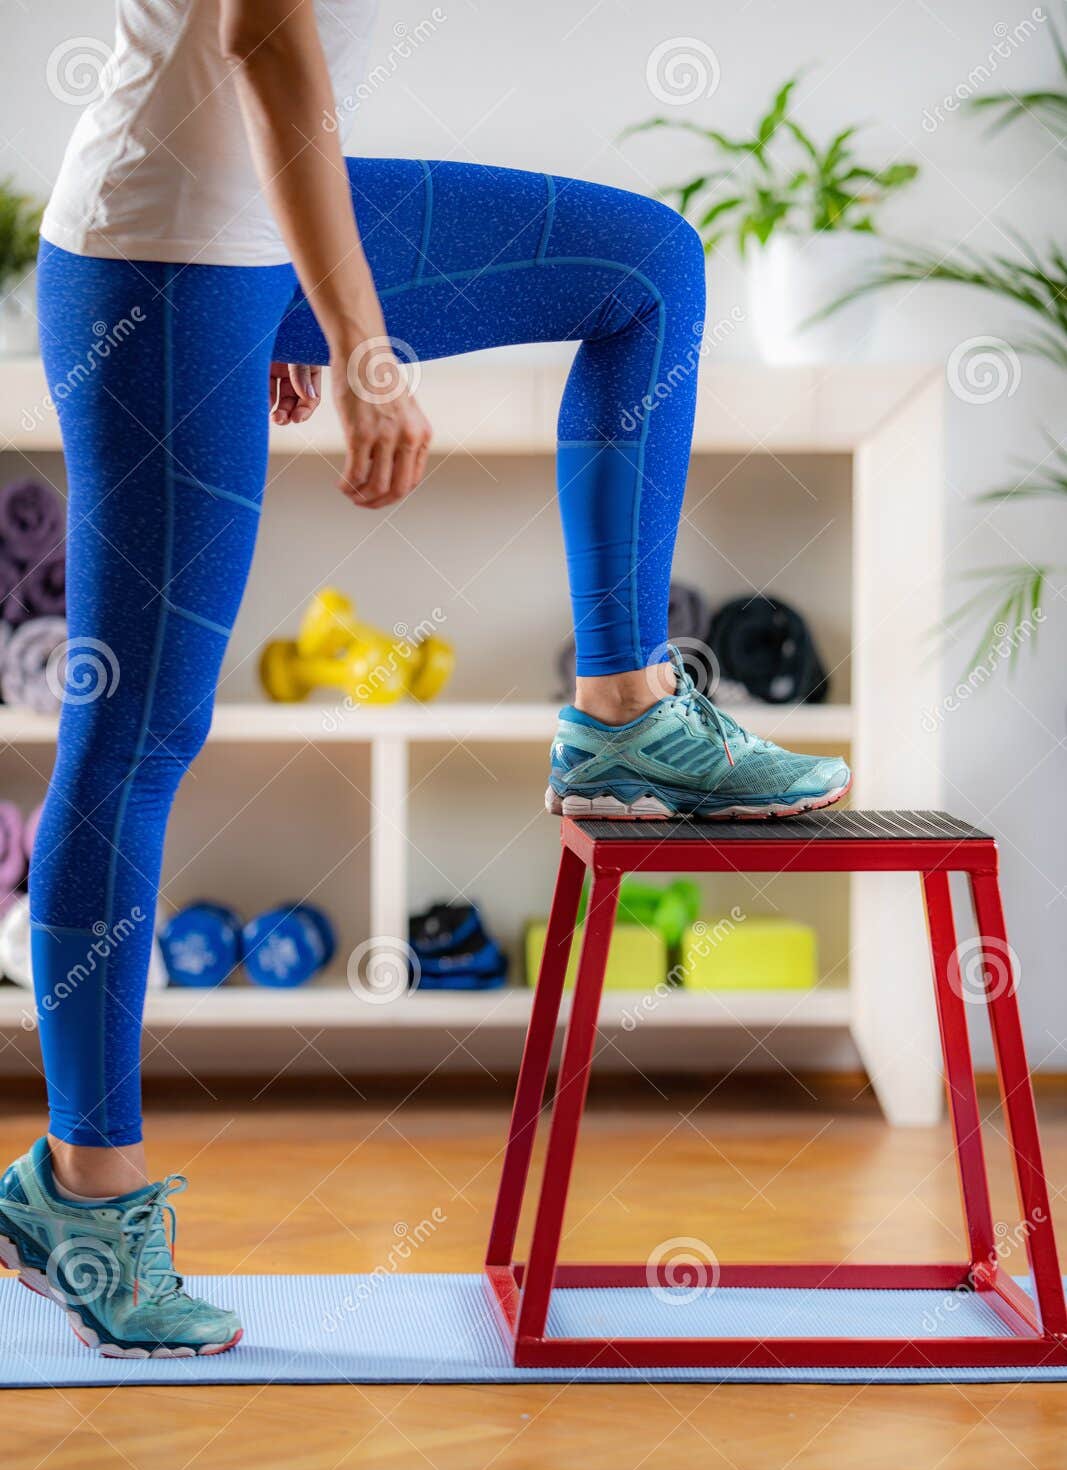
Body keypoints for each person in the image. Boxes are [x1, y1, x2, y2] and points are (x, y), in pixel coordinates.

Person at [0, 1, 849, 1357]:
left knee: (645, 269)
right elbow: (260, 41)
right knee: (140, 734)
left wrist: (305, 284)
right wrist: (358, 340)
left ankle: (627, 709)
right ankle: (80, 1192)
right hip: (157, 260)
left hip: (257, 222)